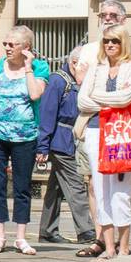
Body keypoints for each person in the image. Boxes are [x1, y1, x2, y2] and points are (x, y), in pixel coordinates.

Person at [0, 25, 48, 255]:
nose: (6, 47)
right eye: (5, 43)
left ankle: (21, 237)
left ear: (26, 48)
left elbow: (35, 94)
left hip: (25, 135)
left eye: (12, 44)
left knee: (22, 186)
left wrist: (28, 67)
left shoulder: (39, 67)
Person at [76, 25, 131, 260]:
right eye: (106, 41)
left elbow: (127, 97)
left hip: (123, 132)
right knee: (101, 189)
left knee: (121, 191)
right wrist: (111, 103)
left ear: (123, 42)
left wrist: (100, 99)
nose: (110, 45)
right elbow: (83, 102)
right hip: (95, 130)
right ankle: (109, 247)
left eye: (114, 41)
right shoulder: (96, 68)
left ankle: (124, 246)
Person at [36, 45, 95, 246]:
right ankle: (86, 230)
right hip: (60, 141)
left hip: (72, 139)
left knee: (57, 187)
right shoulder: (58, 80)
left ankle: (47, 230)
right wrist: (42, 146)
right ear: (74, 63)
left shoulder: (76, 80)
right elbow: (47, 113)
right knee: (76, 184)